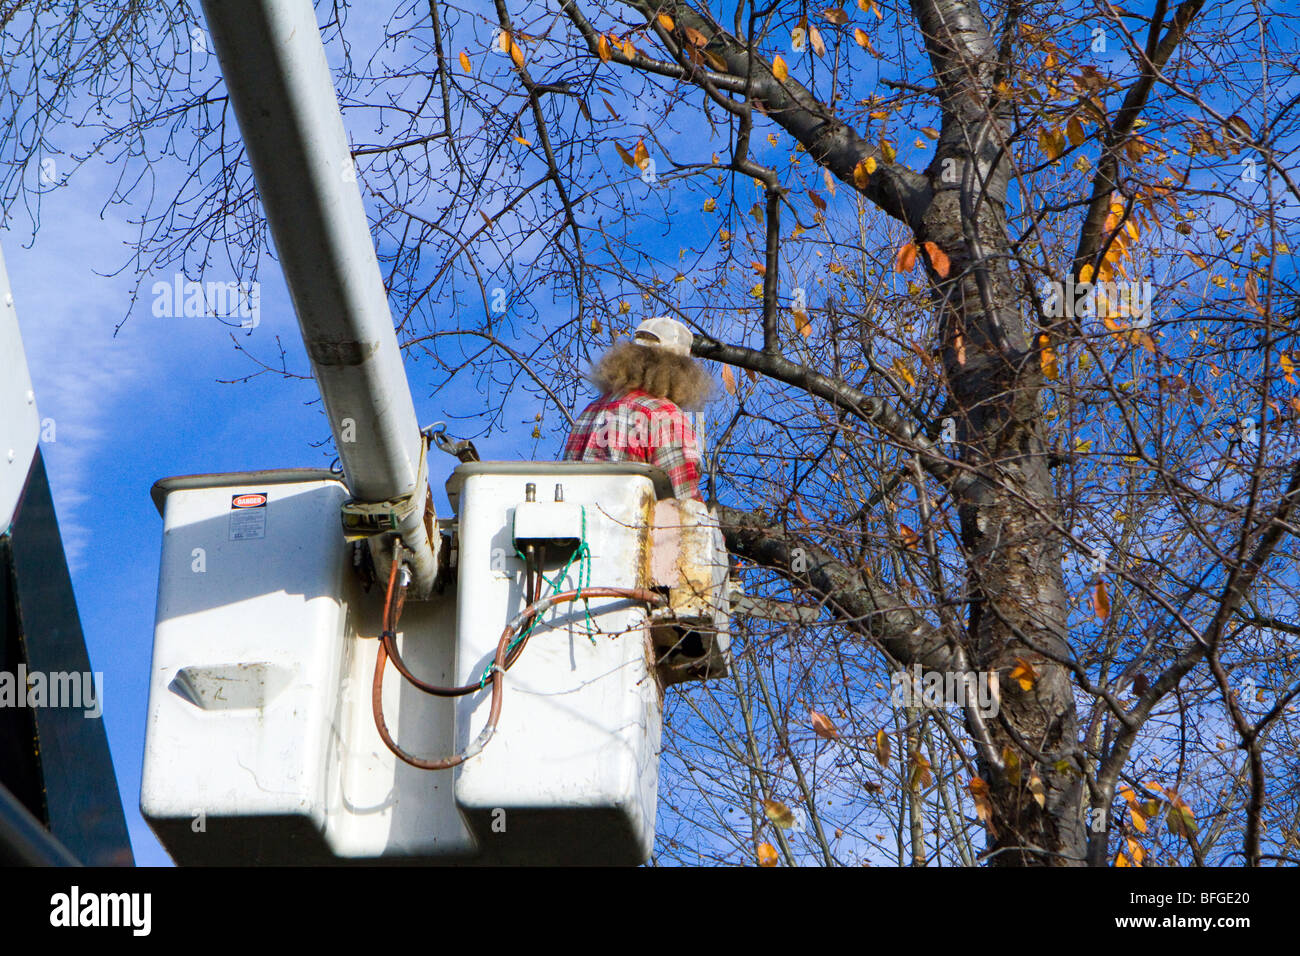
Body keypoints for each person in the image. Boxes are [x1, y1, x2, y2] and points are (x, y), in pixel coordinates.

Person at [563, 316, 714, 500]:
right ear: (681, 370)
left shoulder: (589, 413)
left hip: (581, 524)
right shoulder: (664, 414)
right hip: (631, 524)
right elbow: (683, 501)